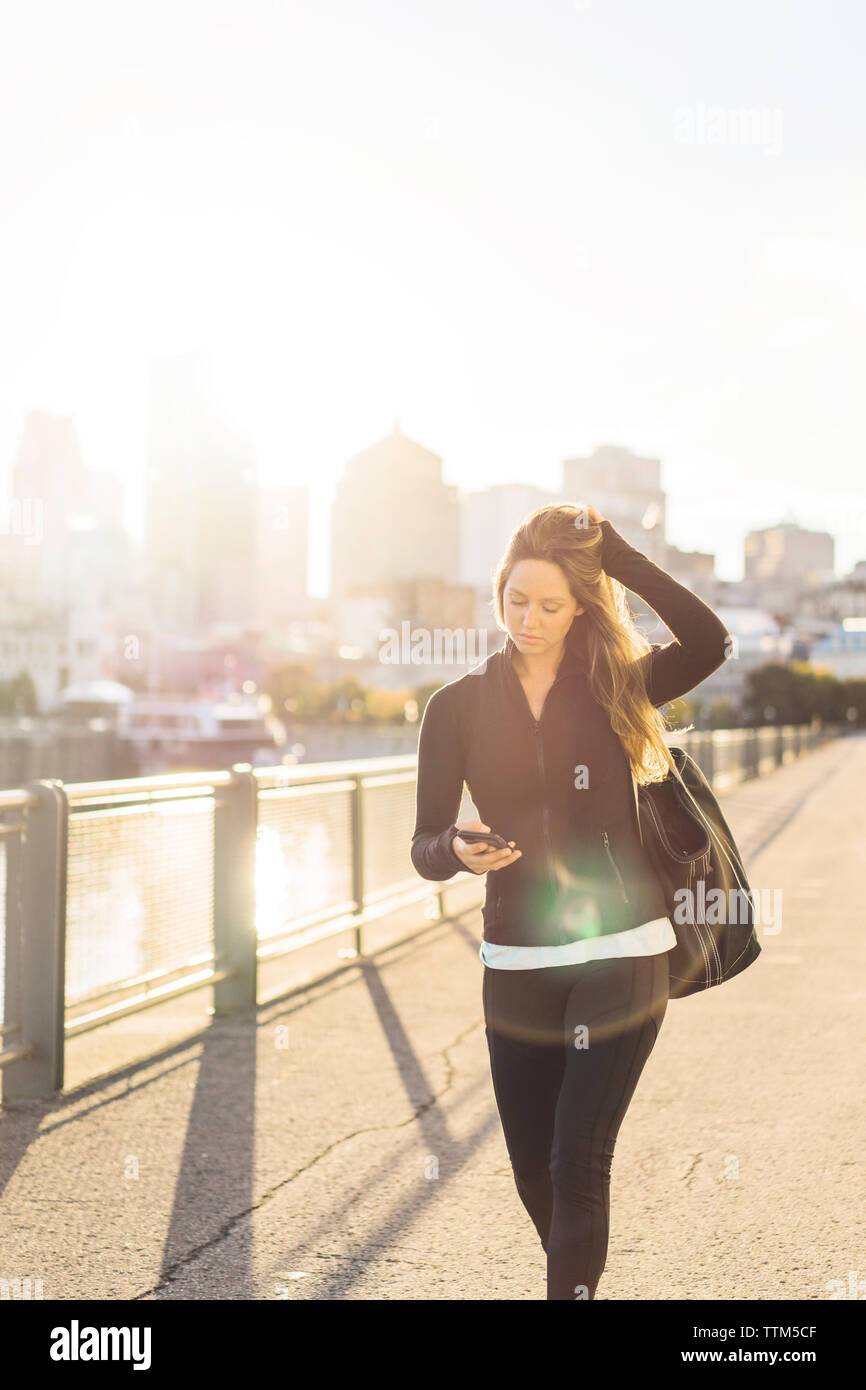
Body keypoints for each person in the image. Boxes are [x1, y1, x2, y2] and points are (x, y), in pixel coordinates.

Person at [410, 502, 731, 1299]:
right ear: (499, 595)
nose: (530, 618)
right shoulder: (454, 708)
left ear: (581, 607)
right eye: (517, 600)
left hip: (624, 952)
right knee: (533, 1171)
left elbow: (710, 641)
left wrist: (617, 554)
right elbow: (423, 846)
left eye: (551, 605)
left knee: (577, 1158)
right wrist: (455, 848)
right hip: (516, 960)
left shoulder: (618, 682)